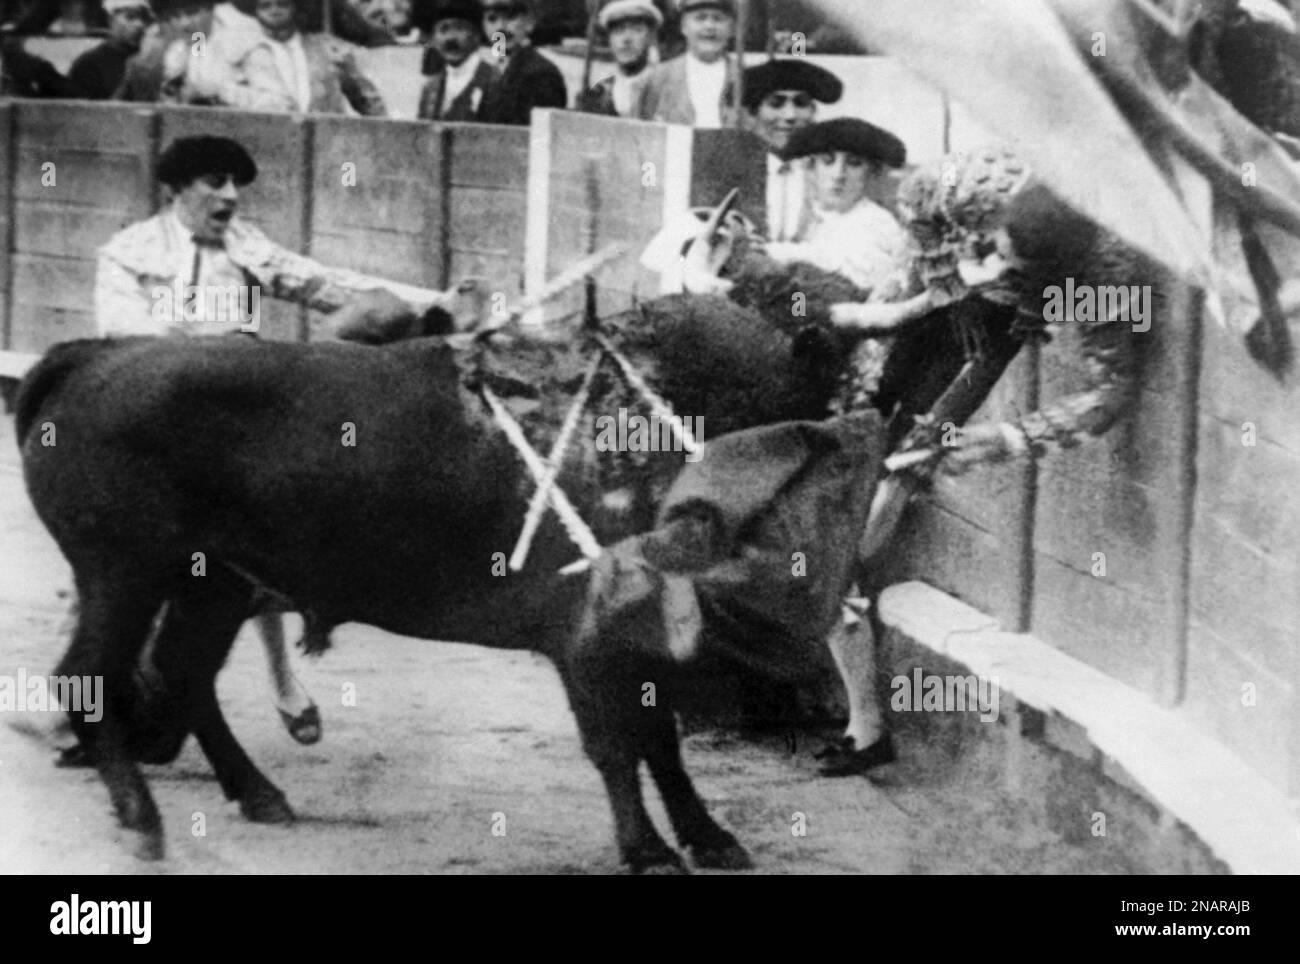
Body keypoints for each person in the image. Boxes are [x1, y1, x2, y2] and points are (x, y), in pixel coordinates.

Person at [741, 57, 843, 243]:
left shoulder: (832, 174)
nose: (790, 116)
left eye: (801, 103)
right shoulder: (734, 171)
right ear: (751, 114)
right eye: (776, 103)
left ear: (813, 113)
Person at [236, 0, 387, 115]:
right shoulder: (244, 53)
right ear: (255, 10)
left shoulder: (328, 48)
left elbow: (370, 105)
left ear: (295, 7)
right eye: (265, 5)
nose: (274, 11)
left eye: (282, 4)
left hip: (326, 143)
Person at [629, 0, 738, 128]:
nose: (709, 26)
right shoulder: (657, 78)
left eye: (718, 19)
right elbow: (638, 134)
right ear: (684, 26)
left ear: (732, 28)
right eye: (700, 18)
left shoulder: (745, 77)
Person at [476, 0, 566, 125]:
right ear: (483, 26)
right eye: (492, 19)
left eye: (510, 17)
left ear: (530, 23)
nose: (500, 27)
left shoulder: (541, 73)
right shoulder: (493, 69)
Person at [577, 0, 660, 117]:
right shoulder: (597, 94)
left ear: (651, 36)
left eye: (636, 29)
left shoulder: (666, 89)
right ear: (609, 40)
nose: (626, 39)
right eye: (618, 31)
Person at [416, 0, 496, 121]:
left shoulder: (495, 81)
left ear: (477, 36)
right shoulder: (430, 87)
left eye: (459, 28)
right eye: (443, 29)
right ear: (433, 39)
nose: (451, 38)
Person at [67, 0, 153, 99]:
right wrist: (130, 80)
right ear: (110, 19)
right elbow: (80, 111)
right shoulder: (88, 64)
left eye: (144, 19)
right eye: (130, 17)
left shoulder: (150, 60)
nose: (139, 25)